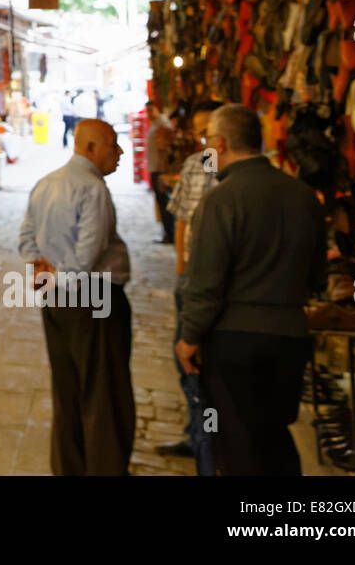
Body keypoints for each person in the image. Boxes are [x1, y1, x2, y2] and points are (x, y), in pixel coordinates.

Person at [177, 104, 327, 476]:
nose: (206, 146)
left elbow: (206, 282)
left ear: (222, 142)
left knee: (240, 444)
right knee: (274, 436)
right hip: (289, 338)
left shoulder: (221, 200)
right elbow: (318, 278)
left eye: (208, 139)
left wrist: (189, 335)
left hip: (235, 342)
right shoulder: (303, 196)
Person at [18, 118, 133, 475]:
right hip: (94, 298)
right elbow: (87, 255)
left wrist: (45, 273)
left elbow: (26, 240)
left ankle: (71, 467)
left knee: (67, 389)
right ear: (91, 148)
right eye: (114, 145)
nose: (120, 152)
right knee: (102, 393)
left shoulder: (46, 183)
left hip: (58, 299)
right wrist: (63, 276)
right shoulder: (93, 188)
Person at [152, 100, 221, 474]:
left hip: (223, 286)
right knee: (188, 364)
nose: (203, 136)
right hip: (193, 280)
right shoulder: (196, 166)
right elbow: (180, 221)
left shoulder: (237, 176)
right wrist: (181, 270)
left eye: (208, 128)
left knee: (210, 364)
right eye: (200, 129)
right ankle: (198, 435)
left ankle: (213, 447)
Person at [145, 100, 176, 244]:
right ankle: (168, 233)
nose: (148, 113)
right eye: (147, 110)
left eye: (151, 110)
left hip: (160, 169)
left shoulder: (163, 124)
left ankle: (170, 234)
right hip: (155, 168)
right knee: (162, 203)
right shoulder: (156, 124)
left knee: (165, 203)